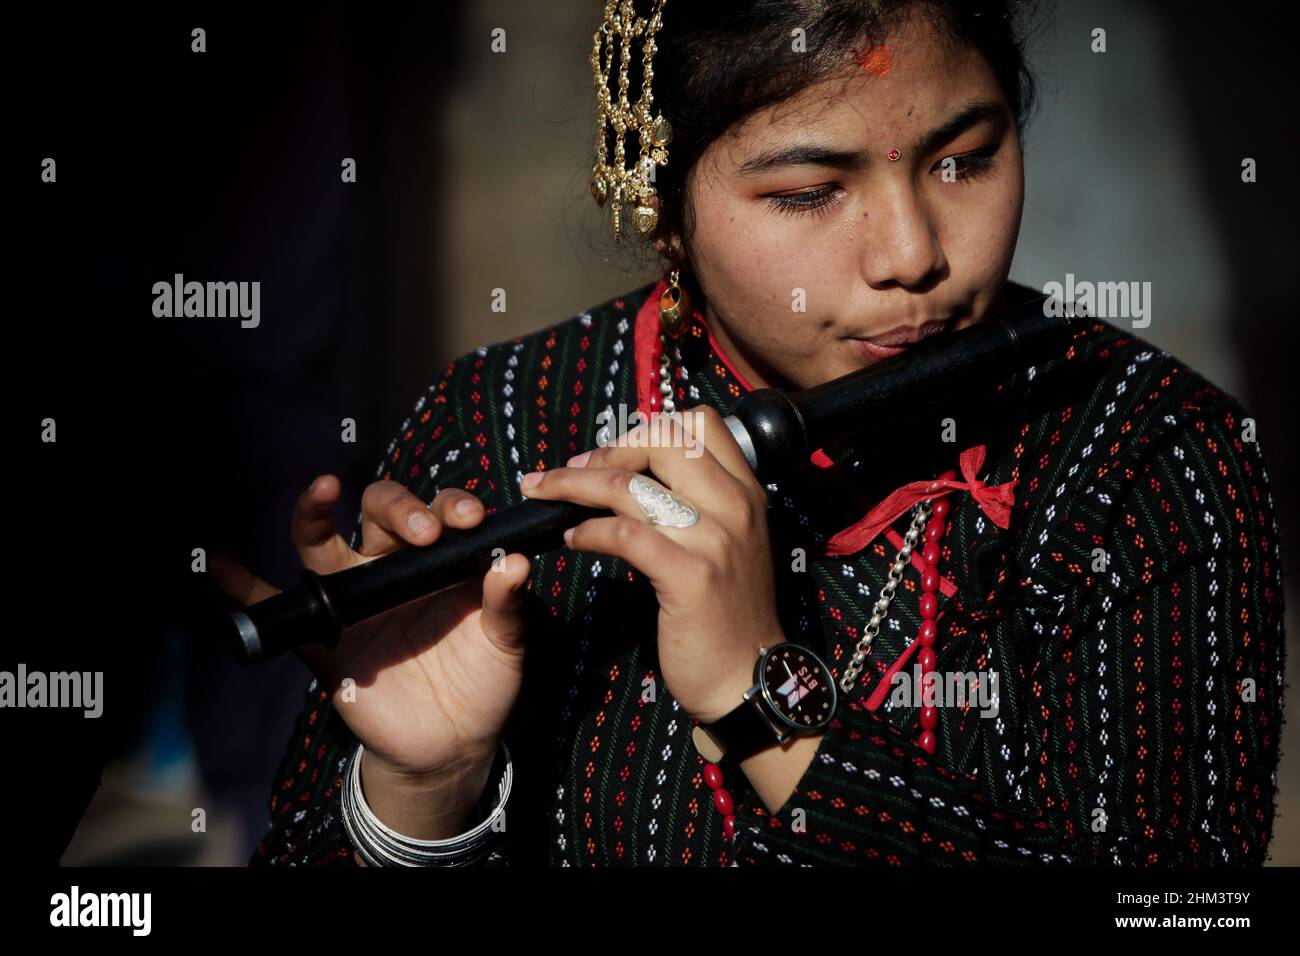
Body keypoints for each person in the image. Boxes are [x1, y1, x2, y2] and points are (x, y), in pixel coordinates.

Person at [211, 0, 1284, 866]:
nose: (911, 253)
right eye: (812, 192)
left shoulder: (1149, 448)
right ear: (664, 207)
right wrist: (420, 789)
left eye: (963, 158)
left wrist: (760, 691)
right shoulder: (502, 421)